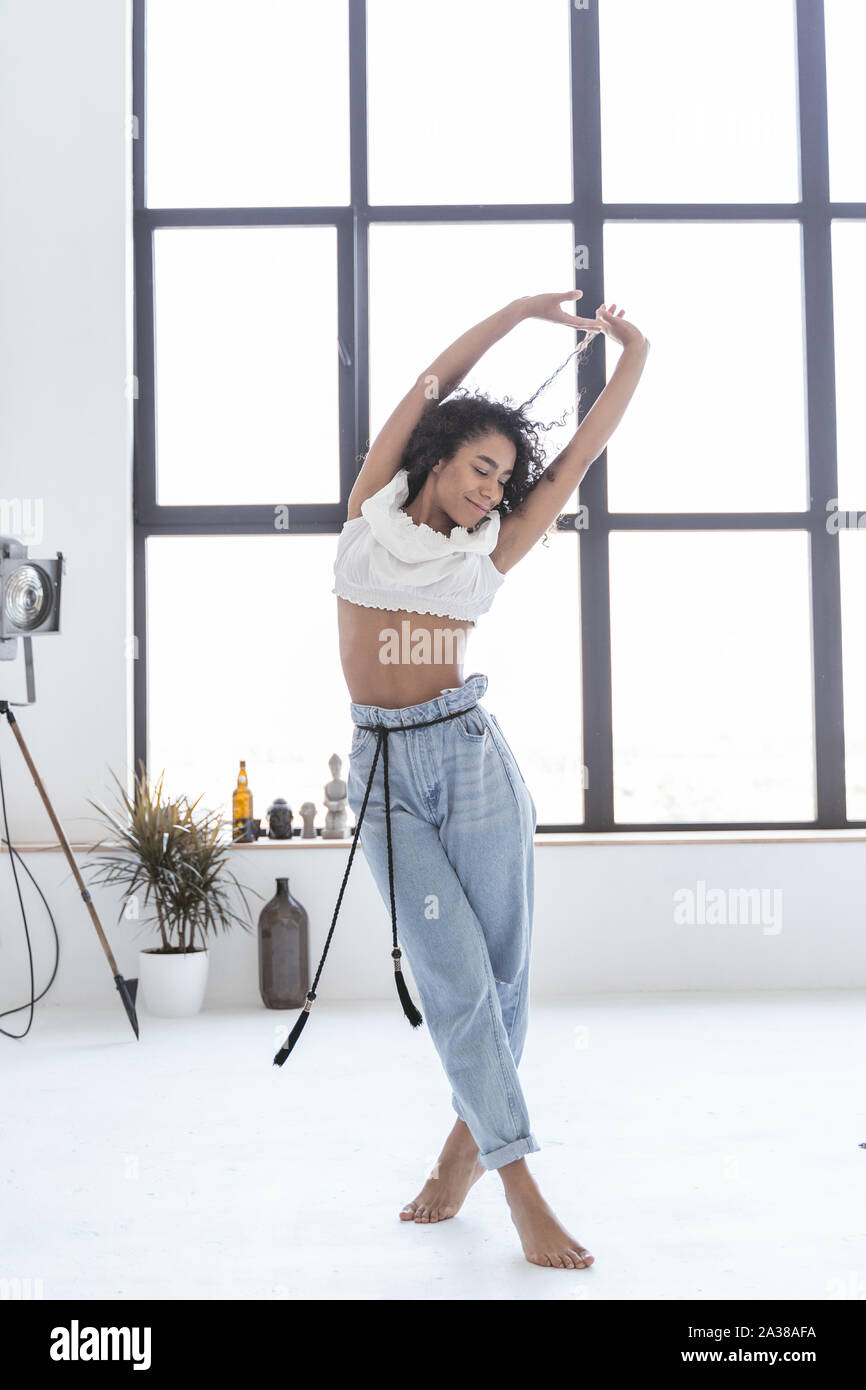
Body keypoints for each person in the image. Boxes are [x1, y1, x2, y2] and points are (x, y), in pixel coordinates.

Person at [333, 290, 649, 1270]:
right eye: (479, 467)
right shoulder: (371, 506)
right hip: (383, 769)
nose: (490, 489)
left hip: (469, 758)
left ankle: (467, 1151)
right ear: (436, 458)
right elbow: (432, 382)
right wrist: (516, 313)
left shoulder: (493, 547)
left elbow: (579, 456)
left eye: (503, 479)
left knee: (498, 979)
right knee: (451, 977)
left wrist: (633, 350)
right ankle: (516, 1182)